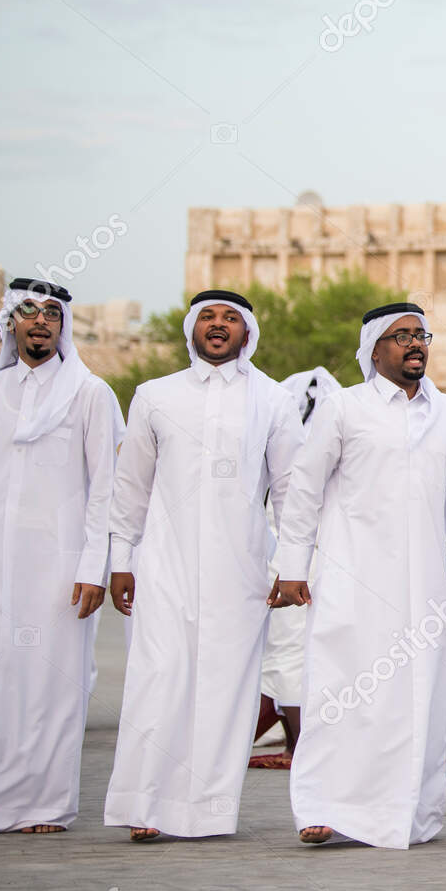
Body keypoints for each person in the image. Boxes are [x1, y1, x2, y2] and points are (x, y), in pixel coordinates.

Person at [274, 303, 446, 849]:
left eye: (421, 335)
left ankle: (409, 813)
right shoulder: (344, 408)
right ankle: (322, 808)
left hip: (426, 585)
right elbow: (304, 489)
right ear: (373, 349)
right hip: (352, 577)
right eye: (401, 336)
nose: (415, 344)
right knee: (342, 691)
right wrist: (293, 567)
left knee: (419, 698)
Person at [102, 290, 303, 842]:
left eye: (230, 319)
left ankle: (209, 810)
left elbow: (290, 491)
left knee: (225, 686)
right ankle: (145, 803)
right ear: (192, 328)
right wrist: (121, 560)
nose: (219, 326)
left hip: (241, 567)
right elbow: (130, 488)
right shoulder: (154, 395)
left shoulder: (273, 400)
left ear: (247, 333)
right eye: (209, 318)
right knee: (159, 676)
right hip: (162, 562)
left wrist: (293, 564)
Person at [0, 279, 121, 835]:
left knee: (46, 681)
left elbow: (105, 490)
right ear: (11, 323)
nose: (40, 321)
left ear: (63, 325)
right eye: (28, 312)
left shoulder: (91, 394)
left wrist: (94, 569)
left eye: (51, 313)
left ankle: (42, 804)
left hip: (59, 565)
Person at [258, 366, 342, 752]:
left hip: (311, 551)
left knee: (292, 649)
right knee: (287, 648)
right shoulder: (286, 436)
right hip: (288, 554)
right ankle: (298, 741)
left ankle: (302, 742)